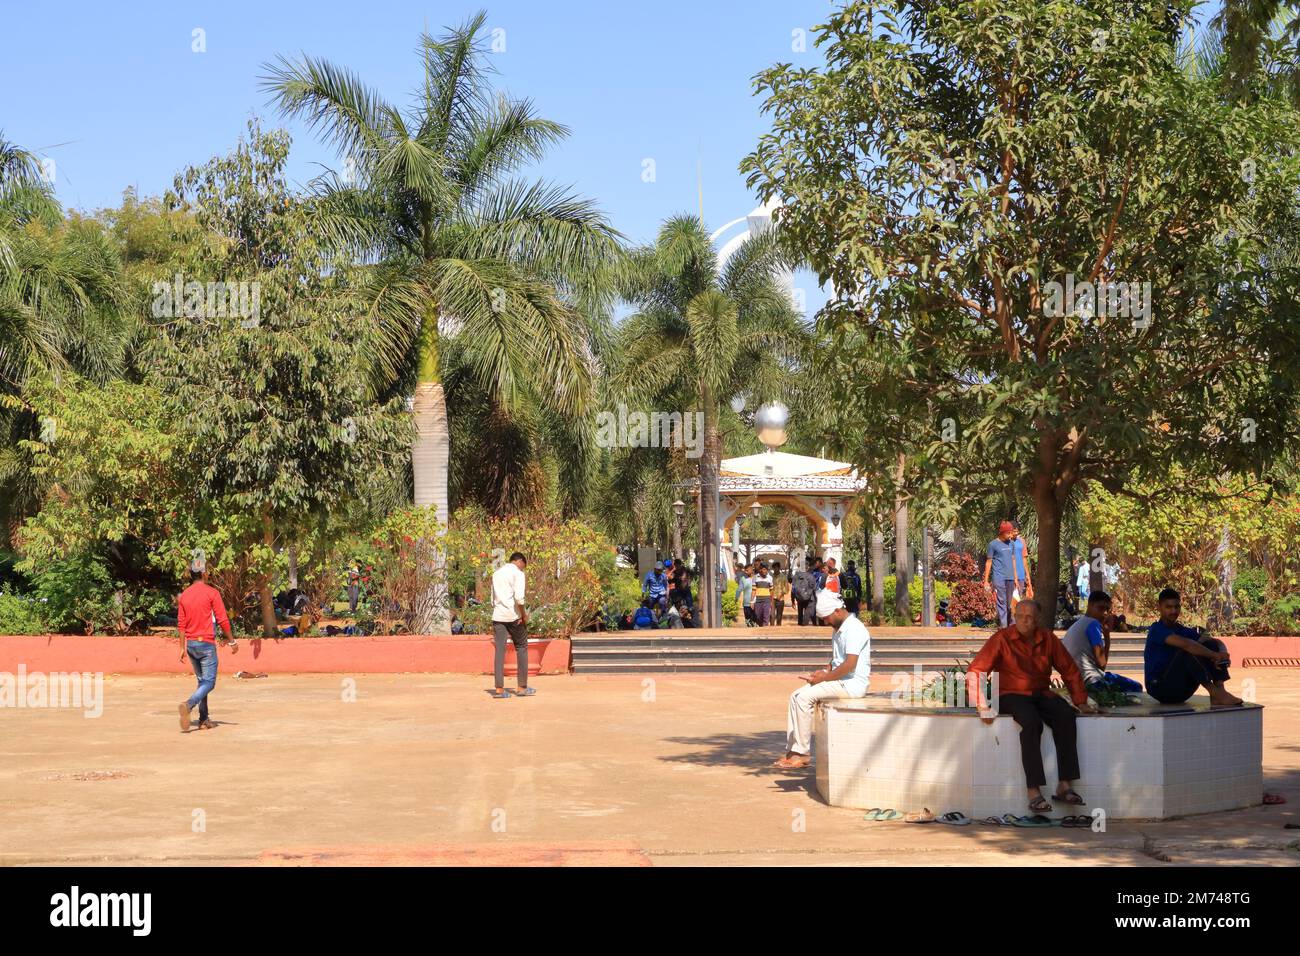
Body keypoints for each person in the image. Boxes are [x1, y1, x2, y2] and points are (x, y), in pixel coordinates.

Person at [969, 599, 1097, 815]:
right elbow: (977, 670)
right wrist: (981, 704)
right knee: (1031, 722)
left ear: (1037, 620)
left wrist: (1080, 701)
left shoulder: (1047, 638)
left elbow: (1069, 669)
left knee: (1066, 715)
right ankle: (1034, 792)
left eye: (1029, 618)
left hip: (1040, 692)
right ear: (1014, 617)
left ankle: (1064, 785)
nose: (1024, 621)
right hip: (1010, 694)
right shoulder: (1002, 638)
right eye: (1020, 617)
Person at [774, 589, 872, 769]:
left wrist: (824, 678)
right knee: (795, 696)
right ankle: (793, 750)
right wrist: (822, 672)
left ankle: (802, 753)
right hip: (840, 680)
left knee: (804, 698)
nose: (826, 622)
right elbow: (836, 661)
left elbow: (849, 664)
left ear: (837, 611)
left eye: (826, 618)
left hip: (852, 685)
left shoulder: (855, 629)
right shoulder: (839, 628)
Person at [1144, 587, 1242, 706]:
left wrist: (1222, 652)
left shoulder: (1182, 630)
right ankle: (1215, 692)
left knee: (1210, 644)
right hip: (1161, 688)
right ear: (1159, 608)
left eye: (1176, 607)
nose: (1173, 611)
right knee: (1187, 651)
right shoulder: (1157, 630)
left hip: (1183, 689)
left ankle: (1219, 691)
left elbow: (1213, 641)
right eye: (1168, 607)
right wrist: (1214, 655)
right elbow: (1187, 645)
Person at [176, 556, 237, 733]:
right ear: (203, 573)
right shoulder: (212, 593)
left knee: (202, 682)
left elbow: (181, 623)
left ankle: (203, 719)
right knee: (209, 683)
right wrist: (232, 640)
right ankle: (188, 705)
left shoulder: (184, 595)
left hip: (191, 645)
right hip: (206, 645)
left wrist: (181, 647)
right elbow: (223, 619)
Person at [1061, 591, 1142, 694]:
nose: (1104, 613)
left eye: (1107, 610)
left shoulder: (1077, 625)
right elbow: (1102, 664)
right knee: (1137, 687)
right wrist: (1107, 639)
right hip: (1092, 682)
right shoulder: (1093, 624)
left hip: (1073, 682)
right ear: (1090, 606)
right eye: (1100, 608)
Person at [491, 552, 534, 699]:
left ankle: (499, 690)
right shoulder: (518, 573)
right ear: (520, 561)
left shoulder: (496, 573)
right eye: (524, 566)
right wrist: (523, 615)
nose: (523, 569)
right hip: (514, 617)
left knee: (499, 652)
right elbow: (519, 598)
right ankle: (522, 687)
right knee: (521, 647)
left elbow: (493, 598)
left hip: (498, 616)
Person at [982, 521, 1019, 628]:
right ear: (1002, 532)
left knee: (1009, 604)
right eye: (1009, 533)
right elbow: (989, 562)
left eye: (1011, 532)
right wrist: (986, 581)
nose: (1011, 535)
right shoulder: (993, 544)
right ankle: (1004, 627)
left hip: (1010, 577)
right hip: (999, 577)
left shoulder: (1011, 544)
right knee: (1002, 602)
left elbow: (1013, 560)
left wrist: (1016, 577)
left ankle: (1010, 626)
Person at [1010, 526, 1033, 603]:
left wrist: (1027, 575)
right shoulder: (1006, 542)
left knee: (1018, 599)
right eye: (1014, 531)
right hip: (1009, 575)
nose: (1016, 533)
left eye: (1017, 531)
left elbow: (1024, 559)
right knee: (1011, 600)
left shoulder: (1021, 541)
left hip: (1021, 574)